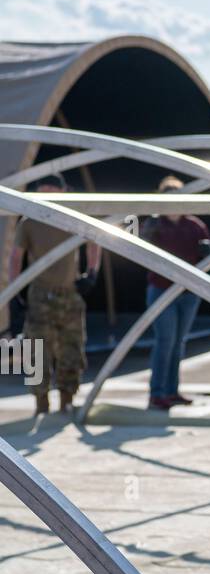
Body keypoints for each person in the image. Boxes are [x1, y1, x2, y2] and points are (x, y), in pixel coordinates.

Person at [8, 175, 101, 414]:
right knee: (37, 350)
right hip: (40, 295)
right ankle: (41, 402)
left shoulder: (73, 216)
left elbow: (94, 240)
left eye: (52, 189)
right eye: (43, 189)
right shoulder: (29, 221)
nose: (47, 193)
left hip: (69, 292)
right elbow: (16, 256)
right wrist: (14, 292)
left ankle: (67, 399)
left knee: (72, 347)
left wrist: (91, 273)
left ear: (63, 190)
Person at [140, 176, 210, 409]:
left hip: (188, 293)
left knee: (179, 342)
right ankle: (157, 393)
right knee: (165, 341)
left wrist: (208, 251)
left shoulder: (195, 226)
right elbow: (140, 250)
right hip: (161, 290)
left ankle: (172, 391)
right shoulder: (155, 224)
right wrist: (147, 234)